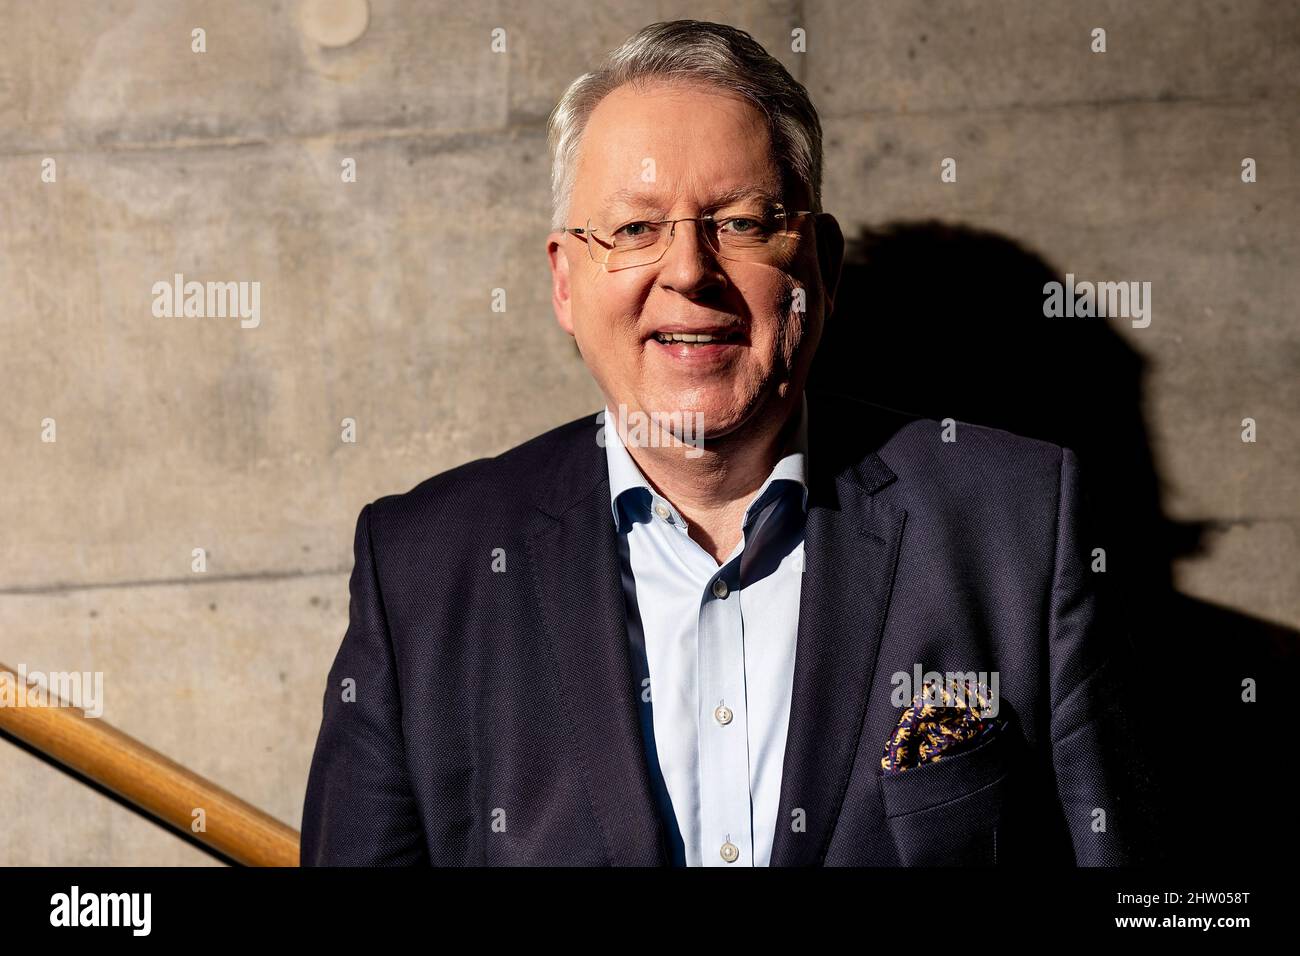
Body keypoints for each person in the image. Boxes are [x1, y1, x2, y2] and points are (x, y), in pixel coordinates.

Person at [301, 19, 1158, 866]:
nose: (688, 271)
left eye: (742, 223)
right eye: (634, 230)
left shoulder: (1016, 525)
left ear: (818, 265)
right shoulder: (422, 568)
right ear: (565, 280)